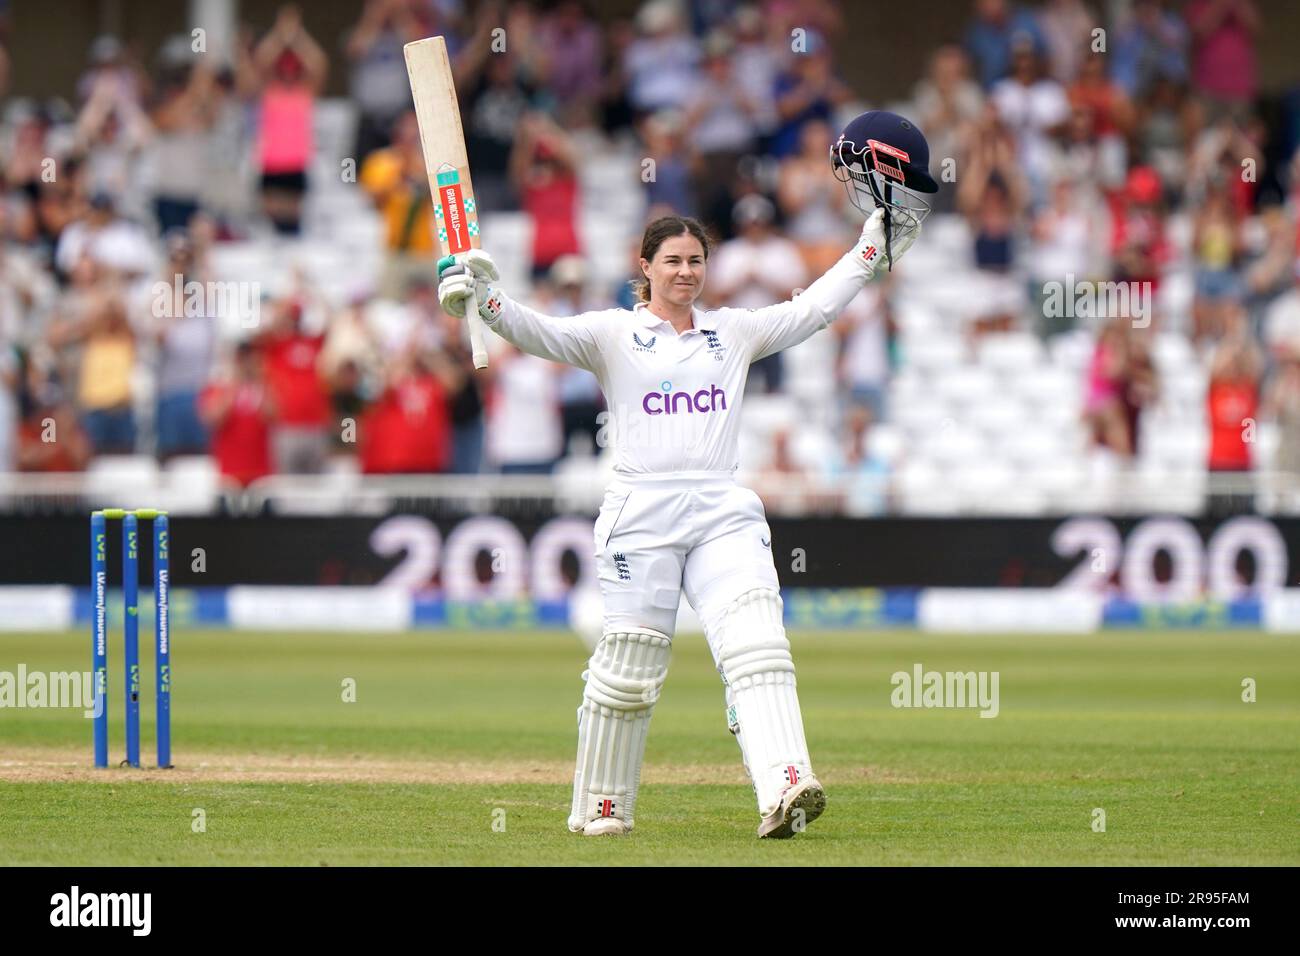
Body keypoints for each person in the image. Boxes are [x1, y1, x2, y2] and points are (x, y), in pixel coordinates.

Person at [438, 110, 933, 838]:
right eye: (671, 260)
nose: (685, 271)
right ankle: (603, 806)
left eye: (695, 260)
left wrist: (868, 253)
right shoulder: (613, 334)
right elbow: (533, 329)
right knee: (629, 671)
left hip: (721, 509)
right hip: (641, 511)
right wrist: (480, 297)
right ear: (645, 267)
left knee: (758, 643)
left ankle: (786, 787)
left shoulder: (731, 331)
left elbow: (811, 311)